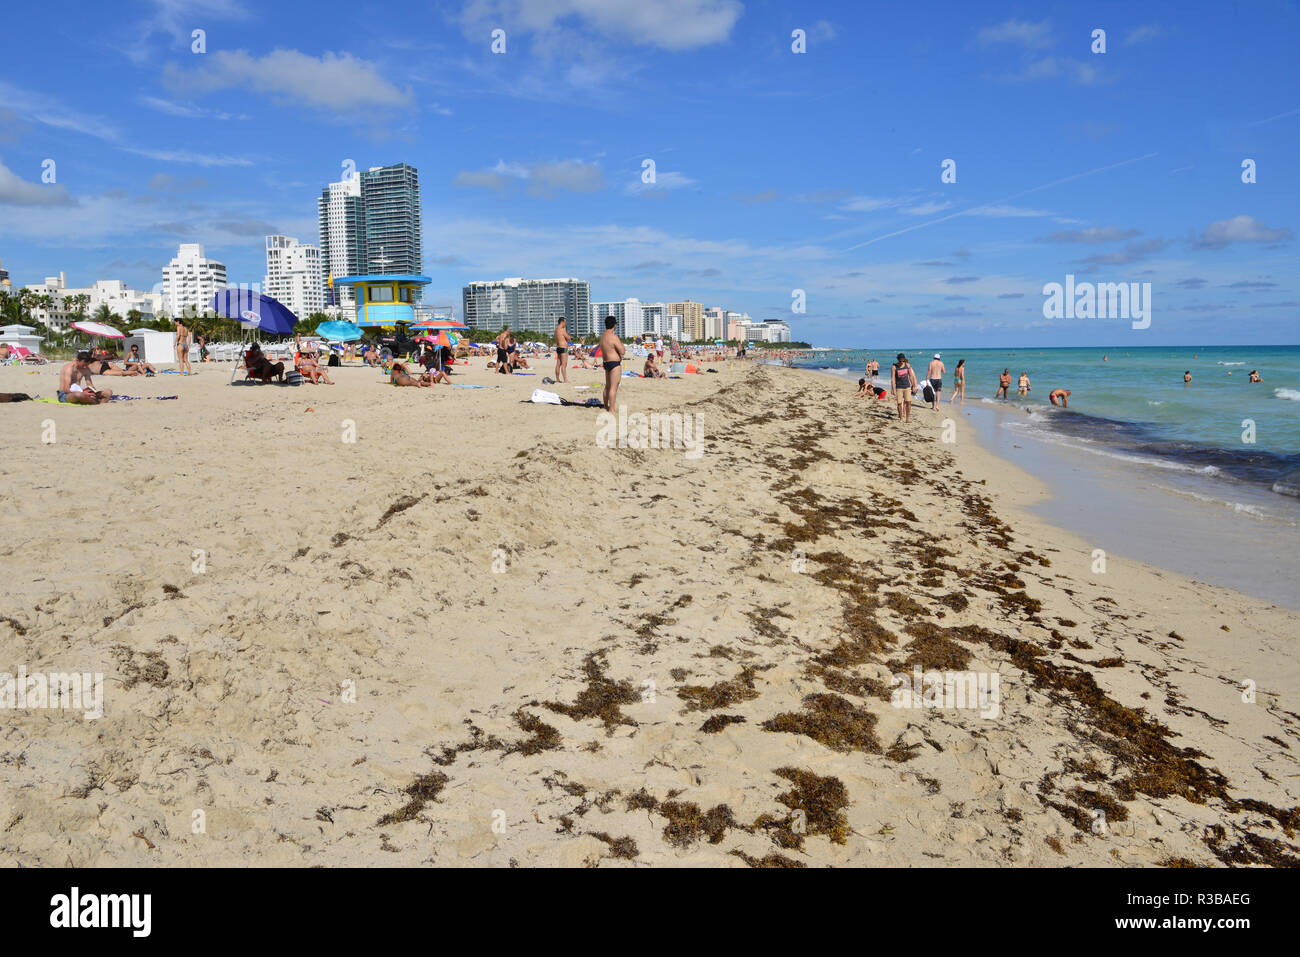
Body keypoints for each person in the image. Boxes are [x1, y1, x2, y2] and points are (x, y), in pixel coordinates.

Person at [600, 315, 625, 412]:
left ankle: (606, 405)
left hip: (606, 362)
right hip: (614, 363)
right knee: (613, 388)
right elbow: (622, 351)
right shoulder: (613, 337)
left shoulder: (602, 337)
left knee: (607, 386)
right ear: (615, 325)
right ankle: (611, 409)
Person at [890, 352, 917, 422]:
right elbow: (893, 378)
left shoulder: (907, 365)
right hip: (899, 387)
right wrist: (892, 389)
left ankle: (907, 418)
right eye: (900, 360)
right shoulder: (894, 367)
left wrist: (913, 385)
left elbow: (911, 376)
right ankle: (901, 418)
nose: (901, 362)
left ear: (904, 359)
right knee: (899, 403)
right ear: (898, 360)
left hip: (907, 387)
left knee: (908, 402)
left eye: (903, 360)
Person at [554, 317, 570, 383]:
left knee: (558, 364)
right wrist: (569, 337)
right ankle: (565, 380)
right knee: (564, 364)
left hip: (558, 347)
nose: (565, 324)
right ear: (562, 322)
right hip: (564, 348)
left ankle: (557, 379)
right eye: (565, 322)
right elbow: (568, 338)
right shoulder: (562, 329)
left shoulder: (556, 330)